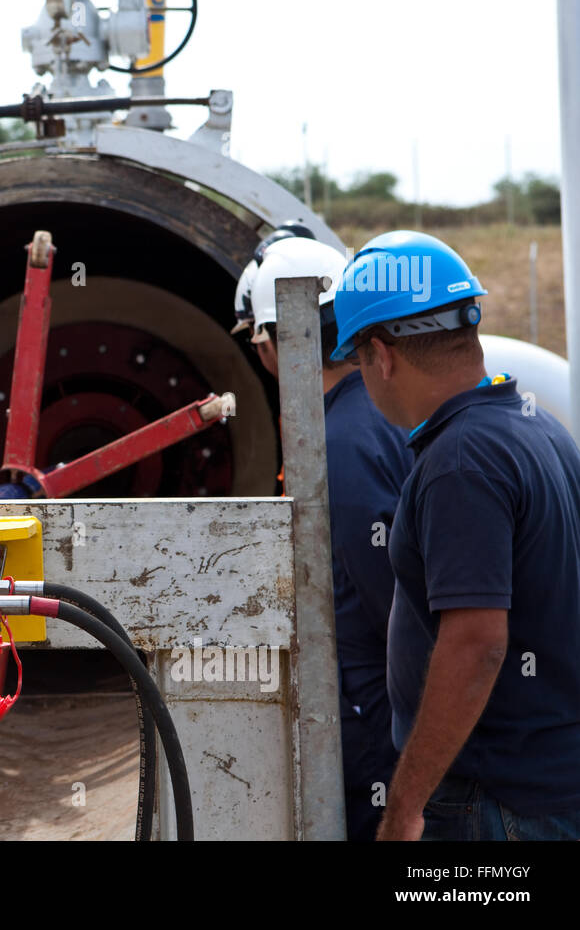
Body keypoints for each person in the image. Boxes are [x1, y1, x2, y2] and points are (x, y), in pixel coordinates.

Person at [331, 230, 580, 841]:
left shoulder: (461, 461)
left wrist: (406, 807)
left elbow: (476, 644)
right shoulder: (538, 428)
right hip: (545, 783)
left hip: (495, 802)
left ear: (380, 355)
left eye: (359, 361)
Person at [246, 236, 412, 840]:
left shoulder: (337, 442)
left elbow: (389, 596)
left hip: (371, 708)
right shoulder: (379, 415)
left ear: (271, 342)